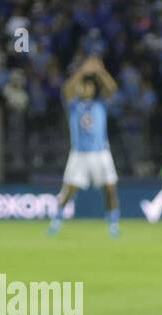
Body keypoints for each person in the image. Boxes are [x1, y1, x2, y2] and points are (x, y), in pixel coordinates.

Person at [48, 56, 121, 238]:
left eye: (88, 85)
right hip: (79, 154)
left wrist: (99, 71)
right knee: (69, 191)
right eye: (82, 85)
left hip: (100, 153)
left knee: (110, 189)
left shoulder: (100, 105)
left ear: (93, 88)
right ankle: (56, 221)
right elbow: (66, 89)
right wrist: (83, 71)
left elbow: (112, 89)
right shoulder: (74, 106)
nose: (84, 88)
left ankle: (113, 223)